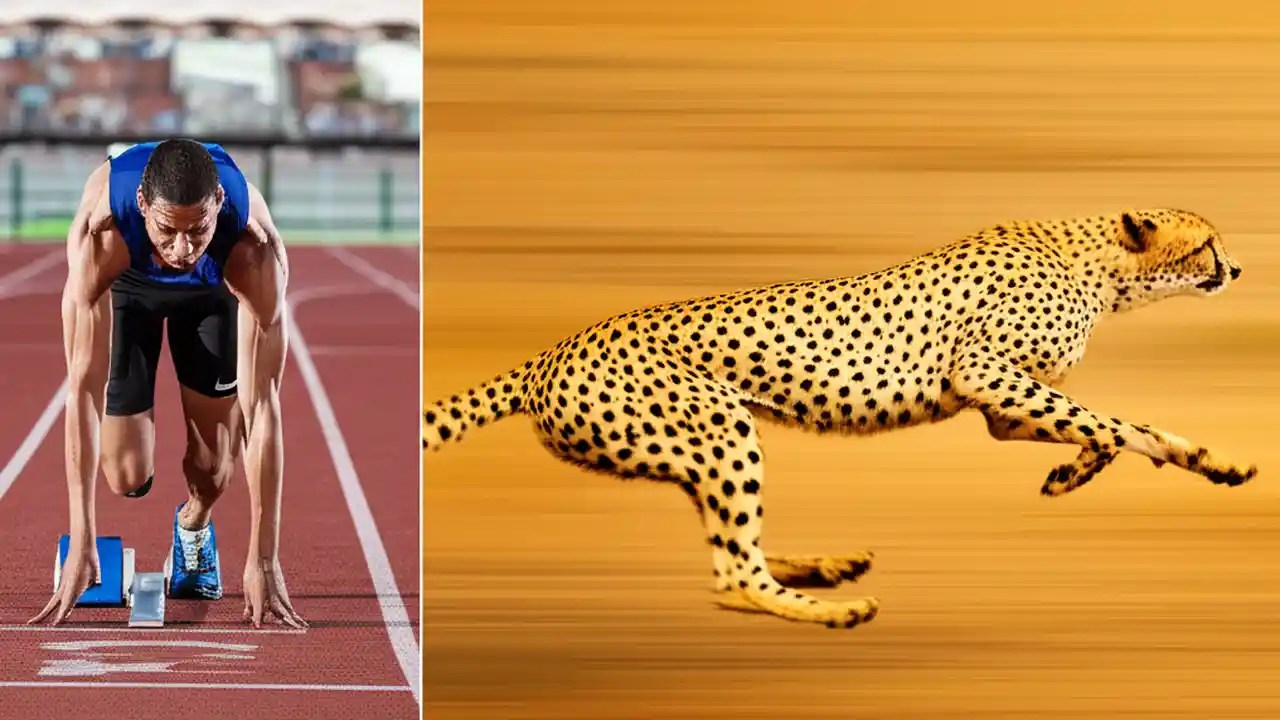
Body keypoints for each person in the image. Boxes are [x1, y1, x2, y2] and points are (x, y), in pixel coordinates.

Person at [28, 139, 306, 629]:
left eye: (197, 230)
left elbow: (262, 408)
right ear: (141, 205)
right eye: (168, 230)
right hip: (128, 282)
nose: (182, 248)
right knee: (125, 475)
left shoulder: (253, 250)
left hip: (213, 288)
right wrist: (82, 536)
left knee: (216, 469)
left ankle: (193, 528)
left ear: (219, 203)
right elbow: (82, 393)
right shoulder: (102, 234)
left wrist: (264, 557)